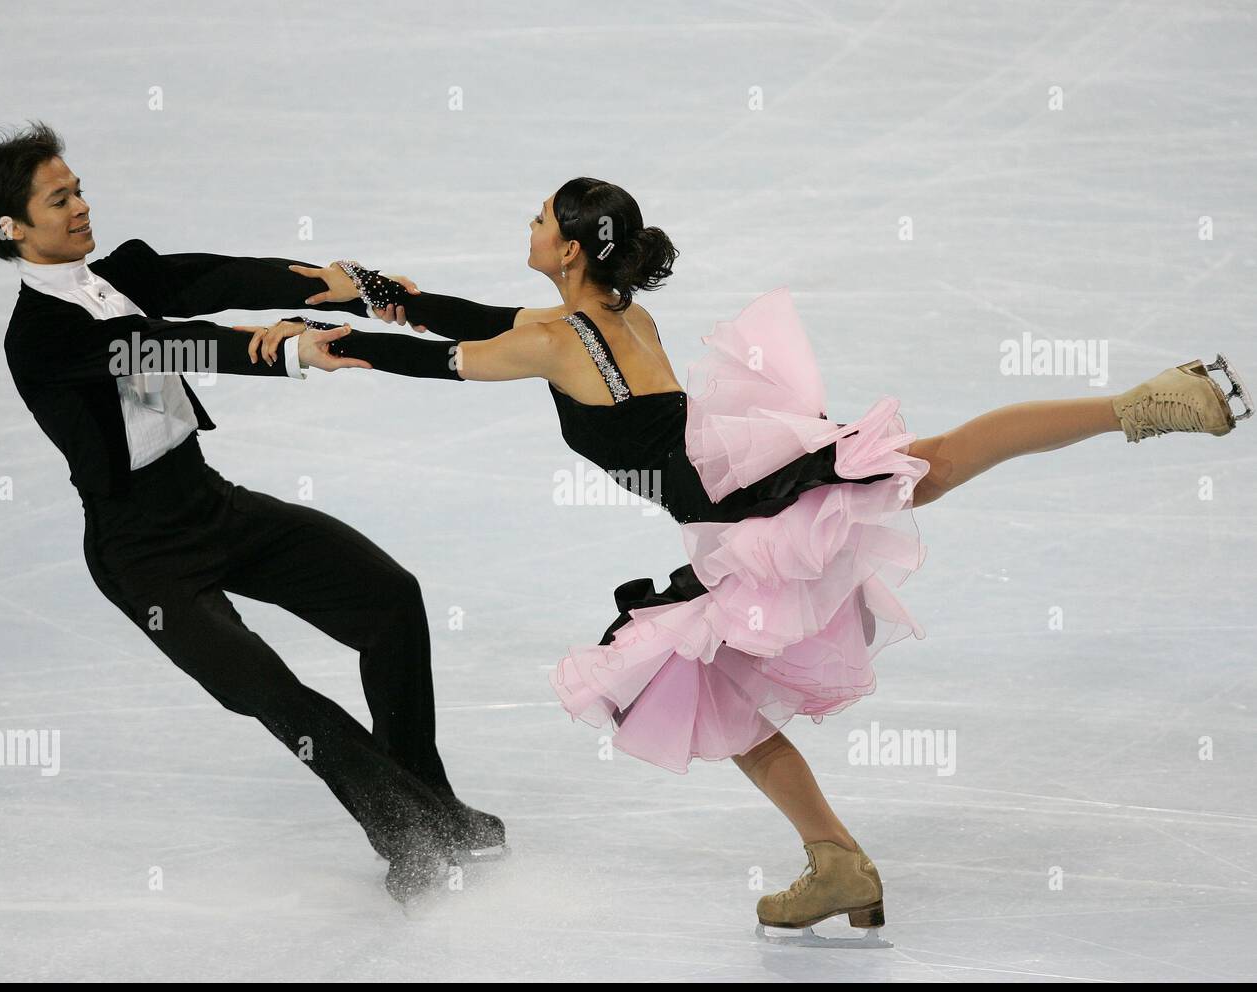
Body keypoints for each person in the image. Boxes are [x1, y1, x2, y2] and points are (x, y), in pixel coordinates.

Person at [239, 175, 1249, 933]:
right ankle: (835, 859)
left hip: (745, 496)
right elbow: (480, 321)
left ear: (573, 248)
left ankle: (1145, 403)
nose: (530, 226)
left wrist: (331, 340)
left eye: (543, 218)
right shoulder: (605, 315)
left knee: (753, 633)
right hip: (734, 481)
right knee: (858, 536)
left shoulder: (557, 339)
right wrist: (376, 297)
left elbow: (455, 360)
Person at [0, 122, 504, 904]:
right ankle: (406, 834)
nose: (82, 205)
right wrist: (284, 349)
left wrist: (330, 282)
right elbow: (157, 345)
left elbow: (217, 278)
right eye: (60, 198)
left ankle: (435, 806)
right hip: (141, 551)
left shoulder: (121, 274)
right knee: (273, 689)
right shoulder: (40, 337)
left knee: (388, 597)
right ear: (11, 228)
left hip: (207, 501)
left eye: (79, 187)